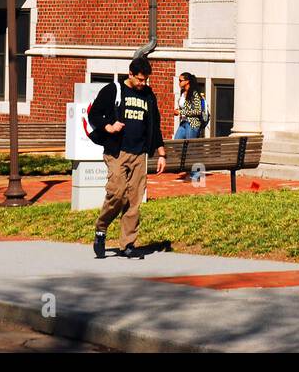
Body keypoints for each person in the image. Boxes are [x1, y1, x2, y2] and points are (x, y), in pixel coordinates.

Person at [86, 57, 166, 259]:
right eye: (139, 79)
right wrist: (109, 127)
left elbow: (154, 125)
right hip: (117, 152)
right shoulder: (113, 90)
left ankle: (127, 244)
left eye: (145, 80)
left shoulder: (148, 95)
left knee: (134, 200)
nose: (142, 83)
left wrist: (161, 153)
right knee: (117, 193)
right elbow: (94, 114)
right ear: (130, 74)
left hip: (139, 153)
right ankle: (101, 228)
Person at [173, 72, 209, 140]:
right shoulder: (183, 93)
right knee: (176, 143)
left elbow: (198, 111)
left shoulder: (194, 94)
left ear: (187, 81)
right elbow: (185, 107)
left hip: (192, 124)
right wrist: (177, 110)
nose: (179, 83)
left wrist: (181, 112)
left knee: (189, 148)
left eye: (181, 81)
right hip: (183, 123)